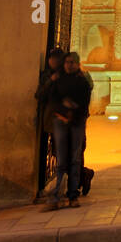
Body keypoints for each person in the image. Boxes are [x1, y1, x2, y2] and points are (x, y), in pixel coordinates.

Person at [44, 52, 92, 209]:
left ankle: (73, 194)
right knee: (62, 160)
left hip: (77, 122)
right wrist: (64, 111)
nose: (69, 65)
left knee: (75, 159)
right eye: (67, 62)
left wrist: (73, 111)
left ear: (78, 64)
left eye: (72, 62)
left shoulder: (82, 81)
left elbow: (85, 102)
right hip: (61, 121)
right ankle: (56, 194)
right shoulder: (58, 80)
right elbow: (53, 99)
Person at [34, 48, 65, 202]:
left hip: (66, 121)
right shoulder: (47, 76)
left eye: (56, 59)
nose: (53, 62)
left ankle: (61, 188)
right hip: (51, 121)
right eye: (52, 59)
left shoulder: (67, 75)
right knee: (56, 153)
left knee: (63, 155)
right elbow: (39, 95)